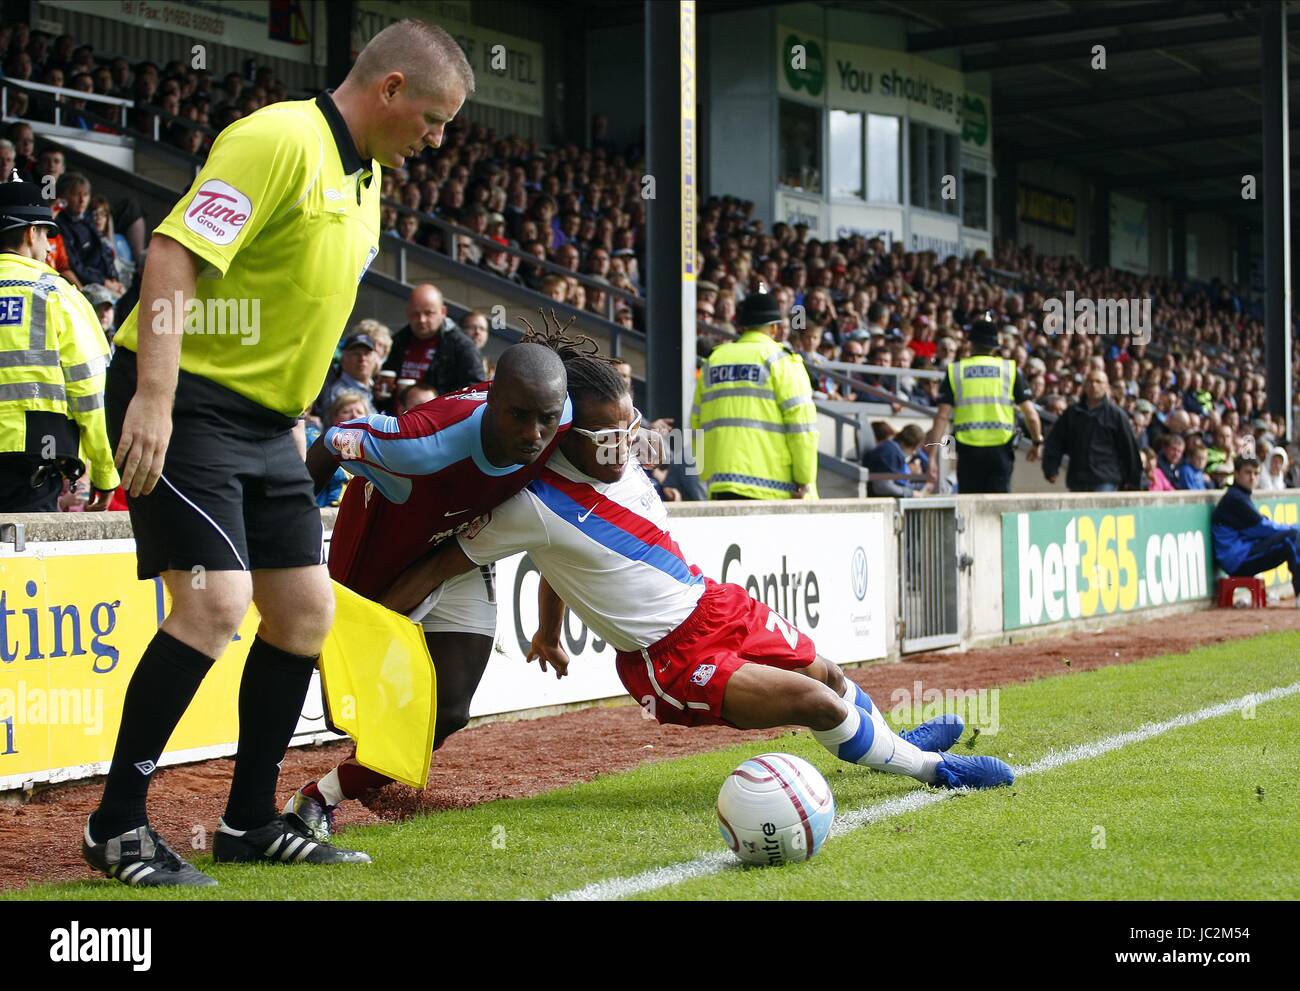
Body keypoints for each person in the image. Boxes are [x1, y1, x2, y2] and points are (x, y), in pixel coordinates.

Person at [82, 18, 474, 887]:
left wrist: (296, 413)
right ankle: (116, 824)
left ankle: (249, 820)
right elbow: (175, 256)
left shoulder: (366, 178)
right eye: (435, 119)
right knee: (214, 604)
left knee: (303, 614)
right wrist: (153, 396)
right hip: (187, 399)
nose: (437, 141)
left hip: (265, 424)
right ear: (392, 90)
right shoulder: (279, 139)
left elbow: (293, 299)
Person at [382, 349, 1014, 797]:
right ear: (564, 433)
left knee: (829, 672)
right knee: (815, 703)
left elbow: (569, 563)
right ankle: (931, 771)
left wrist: (548, 630)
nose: (622, 448)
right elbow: (441, 565)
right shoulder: (530, 503)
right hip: (670, 659)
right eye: (606, 439)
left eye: (626, 432)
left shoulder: (619, 462)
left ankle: (890, 739)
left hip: (715, 604)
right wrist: (363, 619)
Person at [283, 333, 573, 842]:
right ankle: (249, 809)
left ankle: (319, 796)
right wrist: (288, 546)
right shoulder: (420, 443)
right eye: (519, 416)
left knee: (450, 710)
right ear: (492, 401)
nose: (534, 434)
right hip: (377, 552)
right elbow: (331, 441)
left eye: (545, 418)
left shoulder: (563, 416)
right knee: (322, 683)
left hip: (456, 551)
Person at [0, 178, 119, 512]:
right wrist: (105, 471)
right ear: (30, 233)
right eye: (46, 235)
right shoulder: (60, 295)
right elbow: (91, 392)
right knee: (24, 560)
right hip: (36, 456)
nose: (50, 246)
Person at [691, 286, 818, 500]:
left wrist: (705, 472)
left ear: (742, 326)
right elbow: (802, 427)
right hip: (774, 487)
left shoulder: (713, 361)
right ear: (775, 328)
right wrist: (804, 478)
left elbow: (696, 423)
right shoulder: (783, 361)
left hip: (720, 484)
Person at [926, 316, 1043, 494]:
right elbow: (1032, 416)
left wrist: (932, 457)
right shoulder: (1010, 370)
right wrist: (1036, 442)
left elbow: (941, 417)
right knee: (998, 509)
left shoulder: (956, 371)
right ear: (996, 346)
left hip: (968, 451)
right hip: (1001, 450)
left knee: (969, 508)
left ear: (971, 344)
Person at [1211, 456, 1300, 607]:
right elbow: (1264, 529)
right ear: (1237, 474)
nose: (1252, 477)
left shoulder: (1240, 496)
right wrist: (1295, 527)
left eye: (1256, 473)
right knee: (1292, 537)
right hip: (1238, 561)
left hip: (1241, 555)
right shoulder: (1235, 499)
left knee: (1293, 537)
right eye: (1248, 473)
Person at [1041, 369, 1142, 492]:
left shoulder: (1116, 415)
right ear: (1084, 385)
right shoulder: (1073, 413)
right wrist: (1050, 467)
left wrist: (1133, 481)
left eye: (1098, 382)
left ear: (1106, 387)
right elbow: (1056, 441)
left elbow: (1129, 449)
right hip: (1077, 478)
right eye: (1090, 381)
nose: (1093, 385)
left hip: (1105, 479)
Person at [384, 282, 484, 393]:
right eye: (415, 314)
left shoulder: (462, 347)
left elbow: (475, 391)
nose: (422, 319)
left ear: (443, 312)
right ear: (407, 313)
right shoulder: (398, 341)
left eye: (428, 313)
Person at [862, 423, 925, 497]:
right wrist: (910, 493)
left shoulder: (894, 451)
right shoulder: (889, 452)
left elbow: (900, 483)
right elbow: (882, 487)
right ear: (914, 447)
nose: (914, 453)